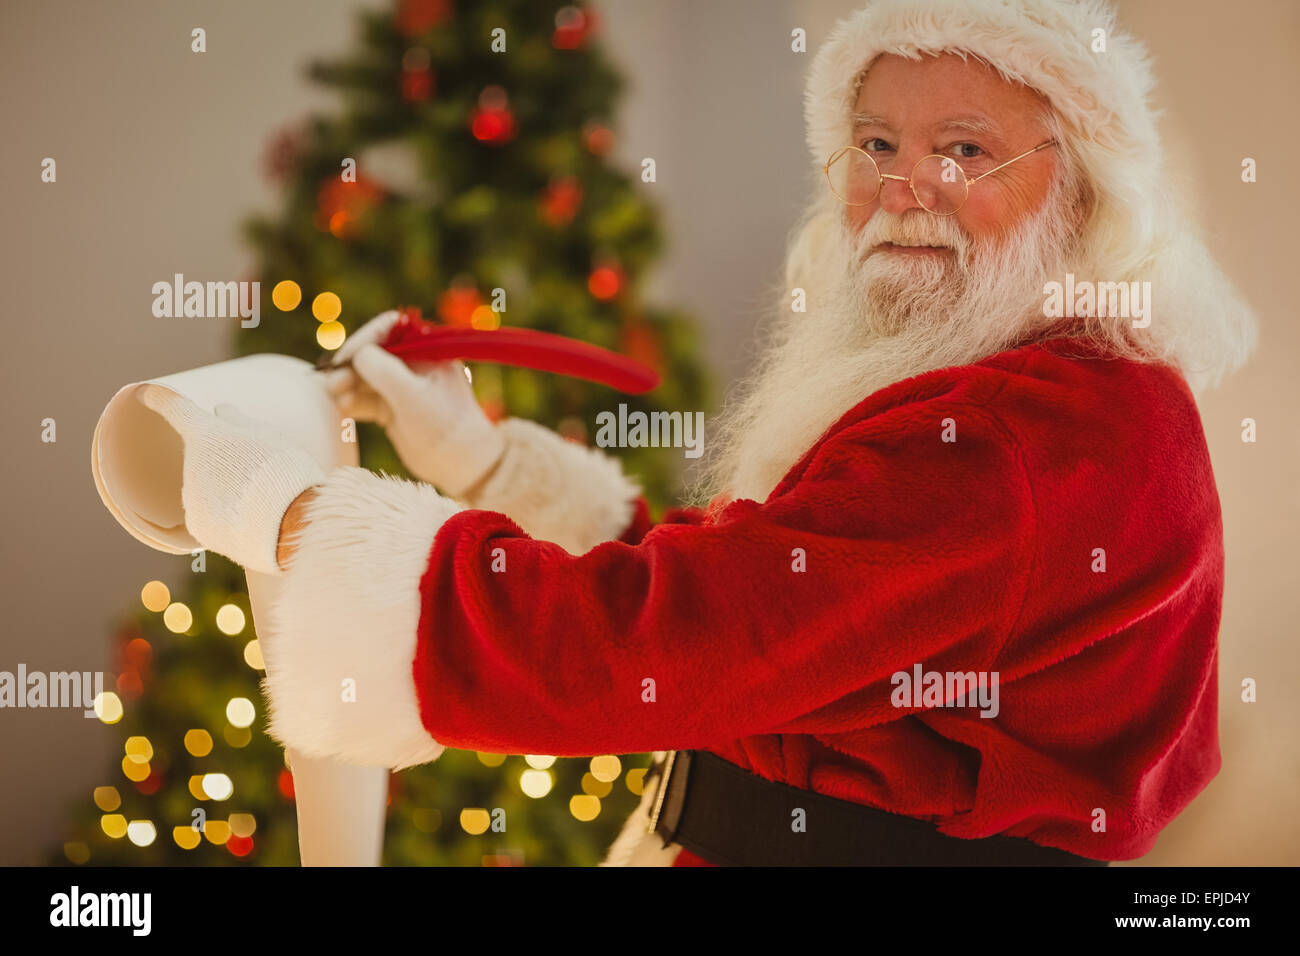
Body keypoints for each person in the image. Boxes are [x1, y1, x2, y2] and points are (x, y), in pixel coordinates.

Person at [141, 0, 1256, 866]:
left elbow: (672, 639)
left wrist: (290, 517)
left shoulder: (1025, 433)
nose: (905, 186)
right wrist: (481, 462)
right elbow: (769, 610)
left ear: (1083, 189)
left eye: (965, 149)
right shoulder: (1036, 386)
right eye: (874, 143)